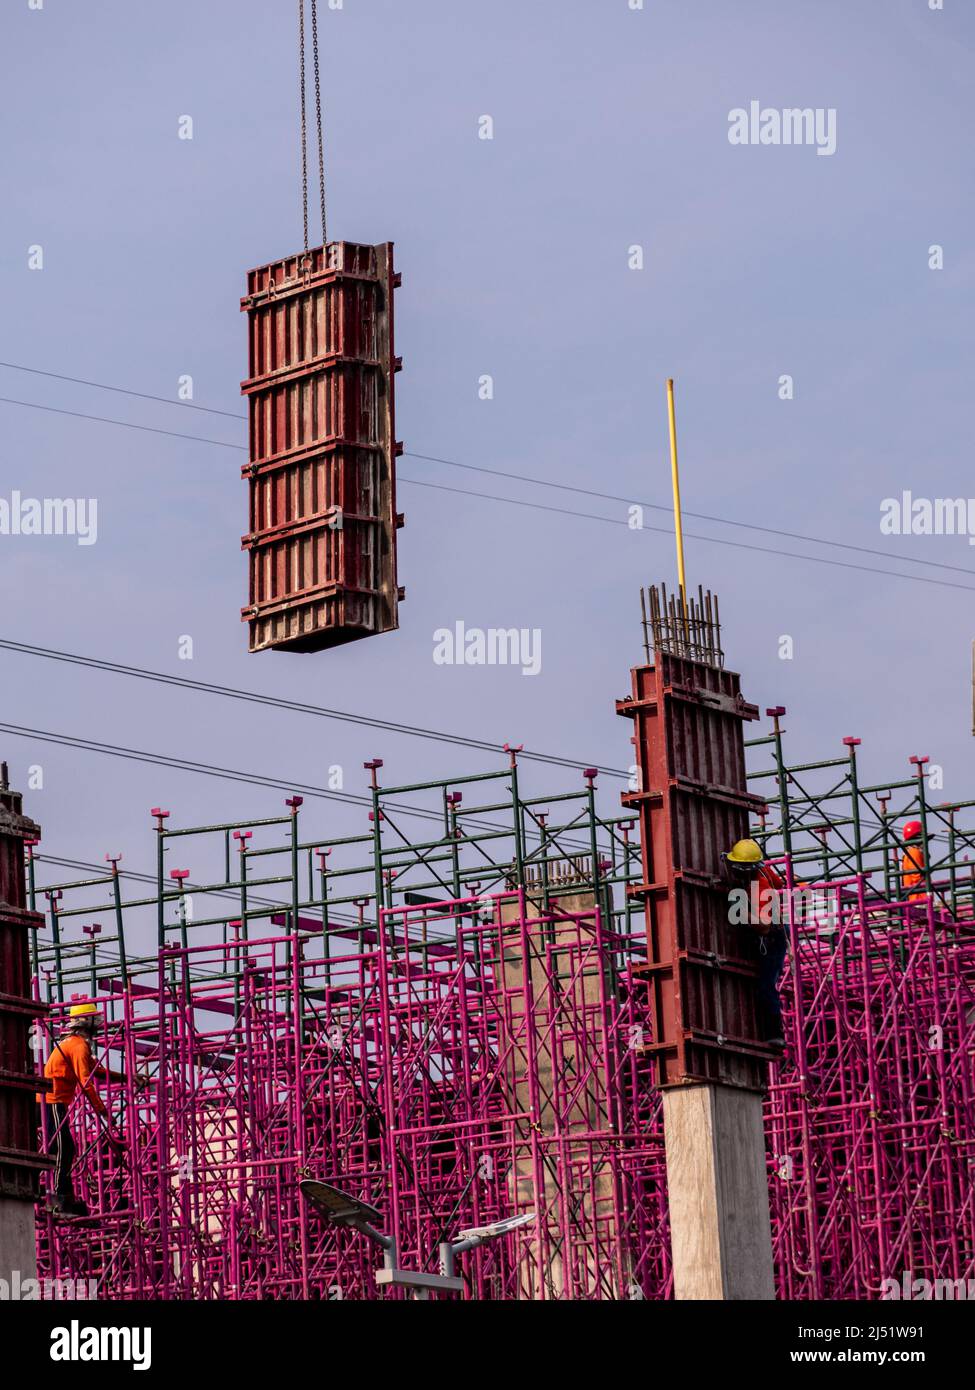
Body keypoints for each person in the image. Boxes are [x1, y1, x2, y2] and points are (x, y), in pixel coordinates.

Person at [37, 1001, 126, 1217]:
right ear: (89, 1023)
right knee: (62, 1148)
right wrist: (103, 1111)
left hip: (54, 1102)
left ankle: (63, 1196)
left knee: (64, 1147)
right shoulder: (78, 1046)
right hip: (52, 1101)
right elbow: (86, 1082)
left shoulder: (75, 1044)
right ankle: (58, 1197)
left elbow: (96, 1070)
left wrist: (127, 1078)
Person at [725, 838, 788, 1051]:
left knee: (765, 987)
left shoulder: (759, 889)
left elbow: (763, 927)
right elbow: (779, 883)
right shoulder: (762, 871)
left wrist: (742, 911)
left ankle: (774, 1033)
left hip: (772, 939)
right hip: (767, 937)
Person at [901, 821, 927, 903]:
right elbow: (917, 878)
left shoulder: (911, 851)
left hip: (917, 897)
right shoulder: (914, 852)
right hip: (918, 898)